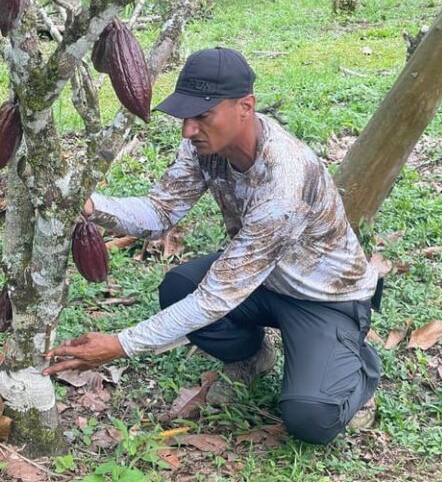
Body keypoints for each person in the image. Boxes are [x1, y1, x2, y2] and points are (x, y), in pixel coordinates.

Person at [43, 47, 381, 444]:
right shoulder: (203, 146)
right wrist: (90, 205)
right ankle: (253, 358)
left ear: (246, 107)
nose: (189, 129)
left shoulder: (284, 180)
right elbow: (160, 211)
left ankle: (357, 372)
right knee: (178, 287)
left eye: (202, 116)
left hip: (324, 297)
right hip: (264, 279)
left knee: (311, 418)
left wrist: (120, 345)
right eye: (186, 116)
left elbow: (215, 298)